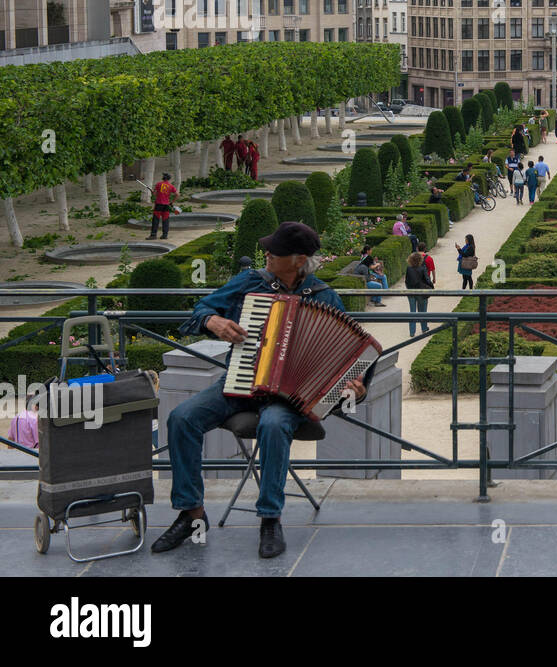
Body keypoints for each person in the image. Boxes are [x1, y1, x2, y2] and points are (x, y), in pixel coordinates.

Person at [152, 222, 369, 559]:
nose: (266, 254)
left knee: (273, 424)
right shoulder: (250, 282)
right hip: (238, 382)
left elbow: (353, 357)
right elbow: (200, 310)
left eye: (275, 251)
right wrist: (213, 322)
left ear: (298, 260)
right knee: (182, 418)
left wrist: (357, 389)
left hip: (288, 397)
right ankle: (191, 514)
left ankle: (270, 518)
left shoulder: (324, 297)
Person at [404, 251, 434, 339]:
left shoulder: (408, 268)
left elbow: (406, 280)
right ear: (420, 260)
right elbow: (427, 280)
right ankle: (424, 328)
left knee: (412, 312)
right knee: (423, 311)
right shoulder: (422, 268)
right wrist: (432, 287)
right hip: (421, 292)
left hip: (411, 292)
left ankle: (412, 332)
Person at [147, 172, 178, 240]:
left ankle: (153, 235)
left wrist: (153, 192)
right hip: (166, 205)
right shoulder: (171, 186)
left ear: (163, 178)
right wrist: (172, 202)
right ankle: (165, 235)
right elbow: (177, 194)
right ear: (169, 179)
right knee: (165, 220)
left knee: (156, 219)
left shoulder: (158, 184)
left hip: (159, 204)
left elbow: (155, 194)